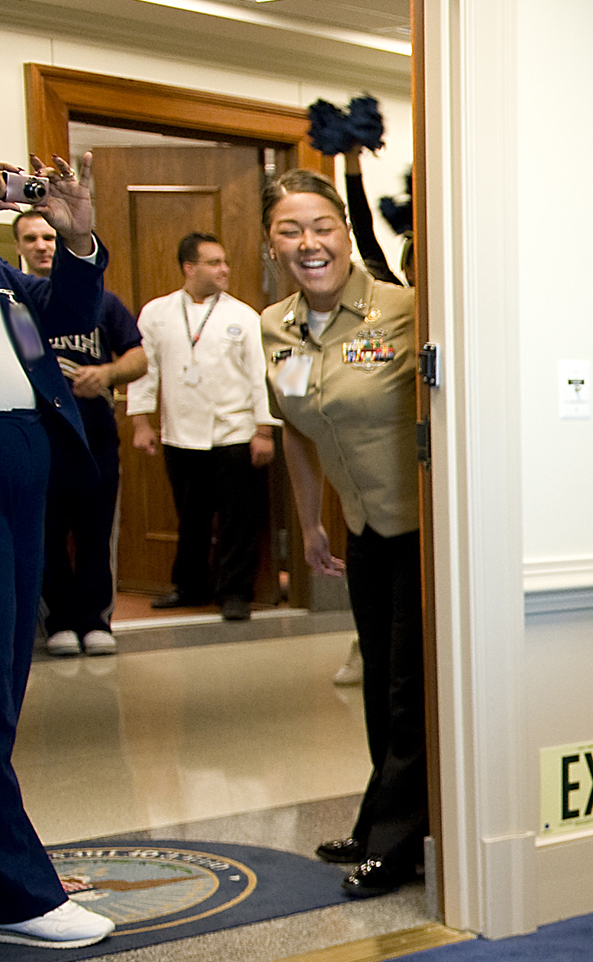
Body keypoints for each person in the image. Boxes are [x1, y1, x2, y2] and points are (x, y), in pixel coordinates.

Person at [259, 168, 423, 898]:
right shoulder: (274, 326)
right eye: (290, 230)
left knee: (405, 686)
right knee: (376, 683)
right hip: (361, 527)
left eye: (321, 226)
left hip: (421, 530)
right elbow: (292, 428)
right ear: (272, 244)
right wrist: (310, 523)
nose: (308, 242)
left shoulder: (407, 310)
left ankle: (395, 843)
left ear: (345, 234)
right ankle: (376, 817)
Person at [0, 157, 115, 948]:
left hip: (21, 467)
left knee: (7, 681)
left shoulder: (10, 280)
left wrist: (75, 240)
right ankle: (19, 887)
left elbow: (72, 312)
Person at [12, 208, 143, 656]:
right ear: (20, 249)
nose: (43, 245)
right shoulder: (20, 306)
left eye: (50, 237)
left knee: (95, 535)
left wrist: (105, 374)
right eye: (32, 239)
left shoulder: (101, 302)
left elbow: (139, 358)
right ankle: (61, 621)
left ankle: (95, 620)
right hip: (42, 440)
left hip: (96, 440)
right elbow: (28, 362)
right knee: (47, 534)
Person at [128, 233, 275, 623]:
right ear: (189, 268)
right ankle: (189, 586)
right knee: (190, 516)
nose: (224, 269)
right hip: (180, 434)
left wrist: (264, 431)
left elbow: (261, 376)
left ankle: (235, 591)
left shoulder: (244, 316)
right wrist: (141, 422)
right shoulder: (156, 313)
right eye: (214, 263)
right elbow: (145, 371)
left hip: (234, 432)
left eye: (225, 261)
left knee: (237, 519)